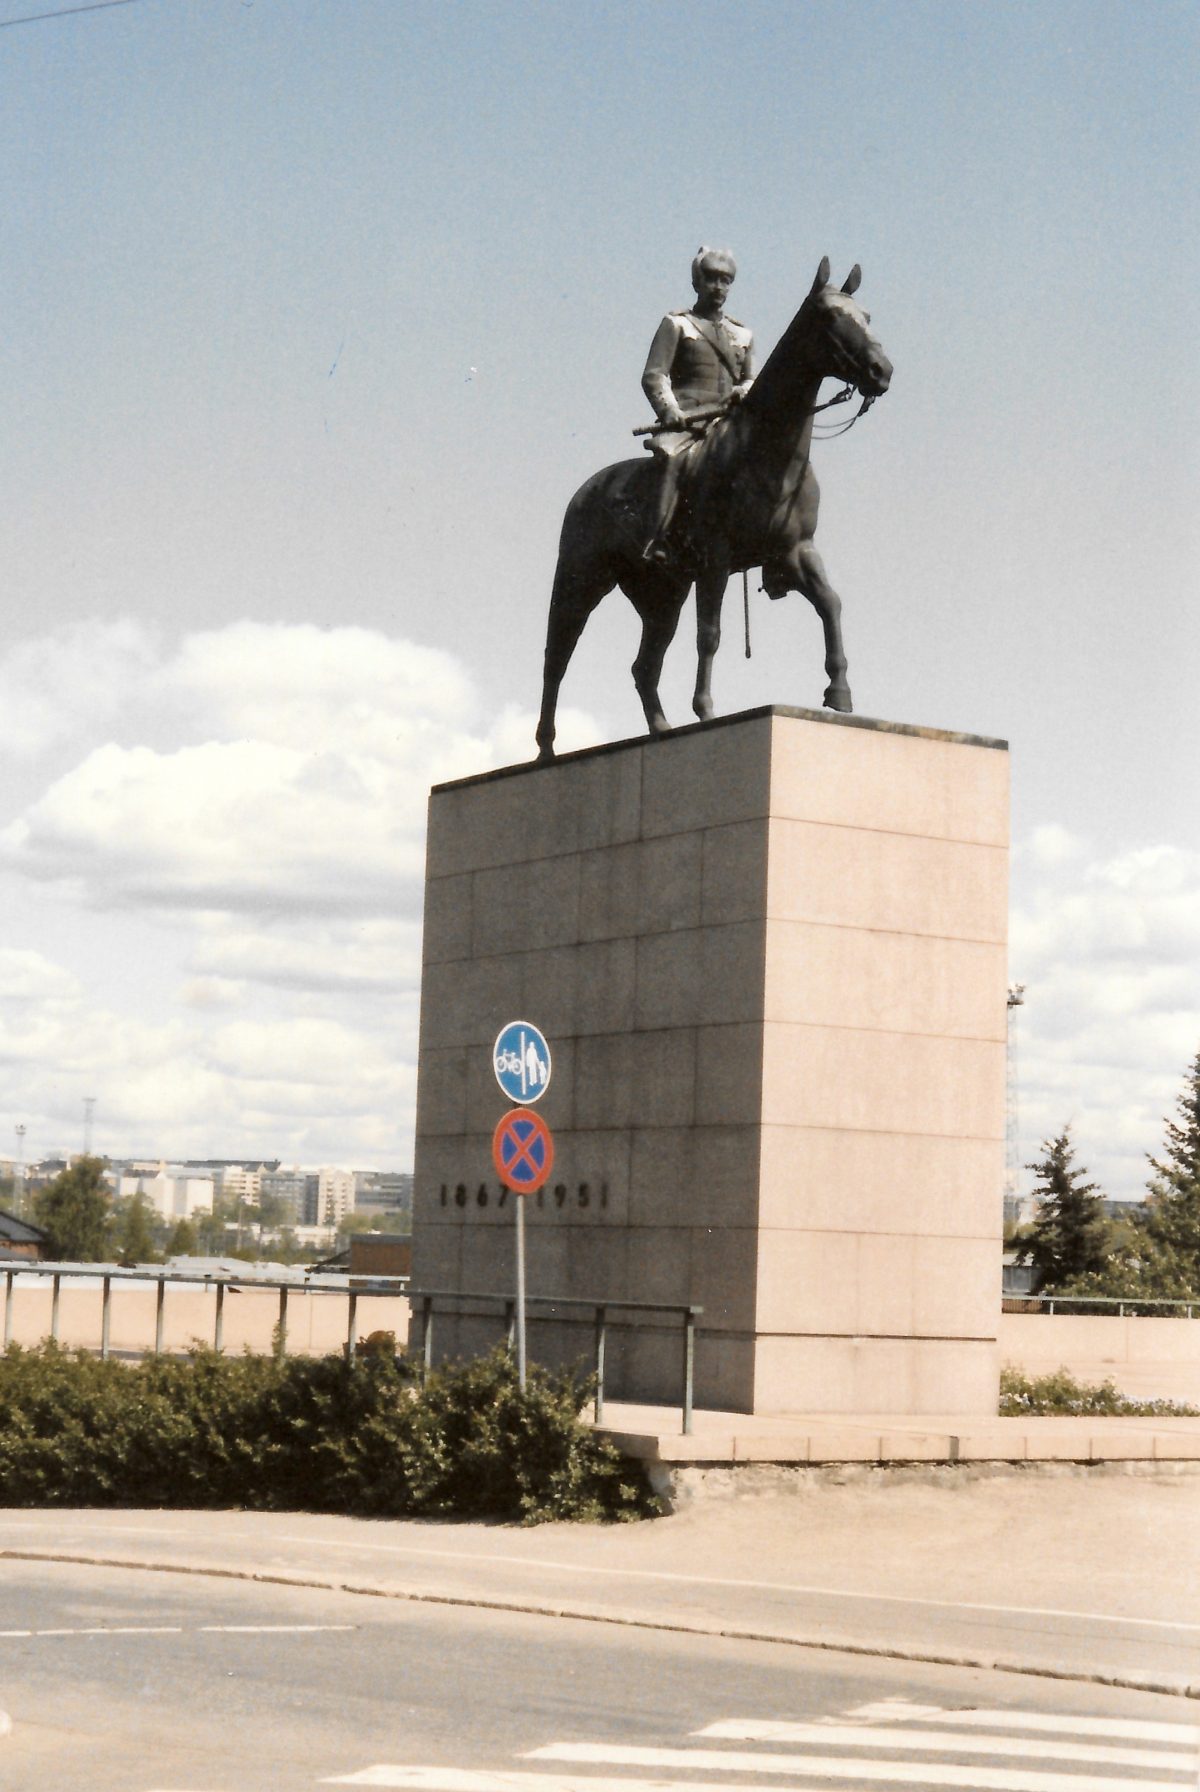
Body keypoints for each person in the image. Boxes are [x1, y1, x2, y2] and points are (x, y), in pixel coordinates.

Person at [640, 246, 755, 564]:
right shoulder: (678, 324)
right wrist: (670, 410)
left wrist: (744, 390)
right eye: (711, 279)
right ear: (697, 282)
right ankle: (658, 538)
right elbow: (654, 375)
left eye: (725, 280)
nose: (719, 287)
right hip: (688, 420)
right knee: (672, 460)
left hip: (729, 422)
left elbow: (751, 379)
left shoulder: (741, 333)